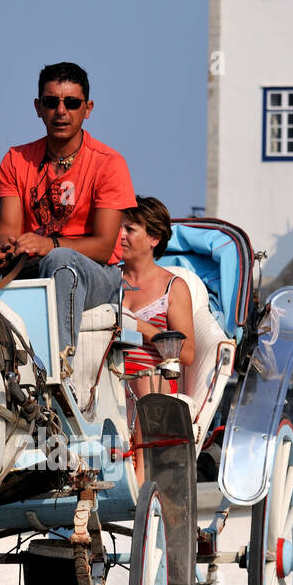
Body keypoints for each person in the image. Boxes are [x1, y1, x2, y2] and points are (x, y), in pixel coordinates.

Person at [0, 61, 135, 366]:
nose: (61, 111)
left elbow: (104, 246)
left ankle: (57, 368)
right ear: (37, 107)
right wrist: (4, 247)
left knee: (60, 261)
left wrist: (50, 245)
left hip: (97, 276)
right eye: (51, 102)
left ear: (87, 108)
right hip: (32, 267)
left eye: (71, 103)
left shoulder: (109, 163)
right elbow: (7, 230)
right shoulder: (15, 159)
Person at [118, 196, 196, 481]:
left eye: (129, 229)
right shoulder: (108, 280)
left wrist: (142, 327)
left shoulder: (173, 287)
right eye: (119, 227)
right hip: (109, 376)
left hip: (151, 379)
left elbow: (186, 354)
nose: (120, 235)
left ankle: (140, 475)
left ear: (154, 238)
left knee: (145, 382)